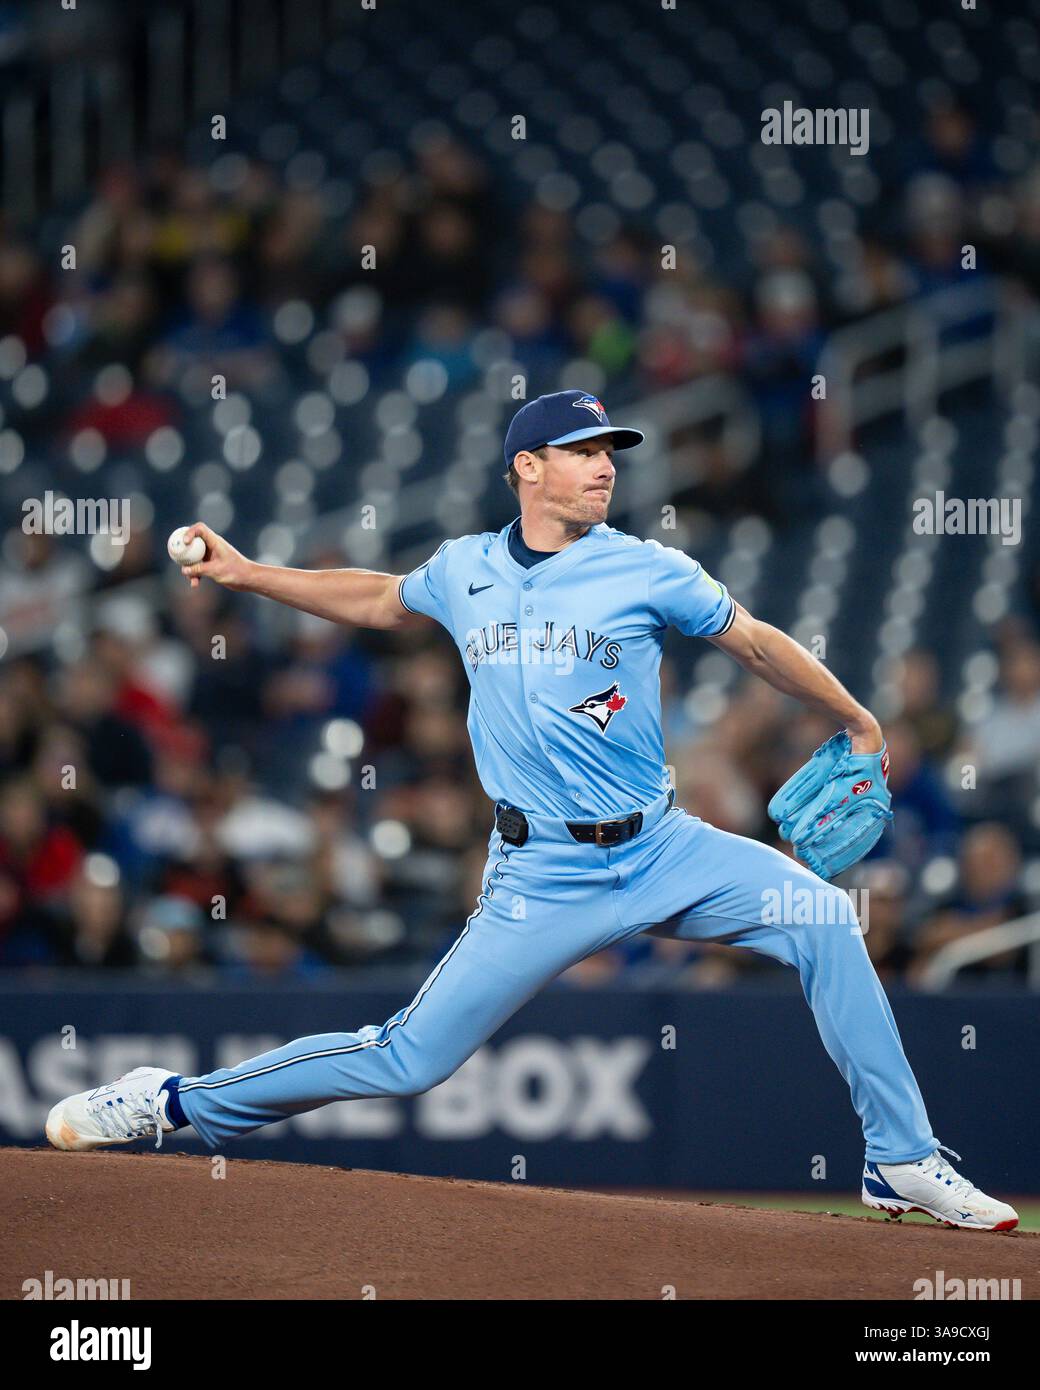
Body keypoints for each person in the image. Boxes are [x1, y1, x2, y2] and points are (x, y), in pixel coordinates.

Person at [46, 390, 1017, 1232]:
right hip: (541, 874)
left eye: (609, 454)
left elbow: (756, 643)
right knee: (406, 1060)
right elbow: (381, 598)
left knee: (823, 923)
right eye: (584, 453)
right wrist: (249, 572)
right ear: (526, 467)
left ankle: (897, 1159)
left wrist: (851, 715)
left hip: (663, 844)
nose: (604, 469)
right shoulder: (465, 567)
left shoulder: (648, 568)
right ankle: (170, 1103)